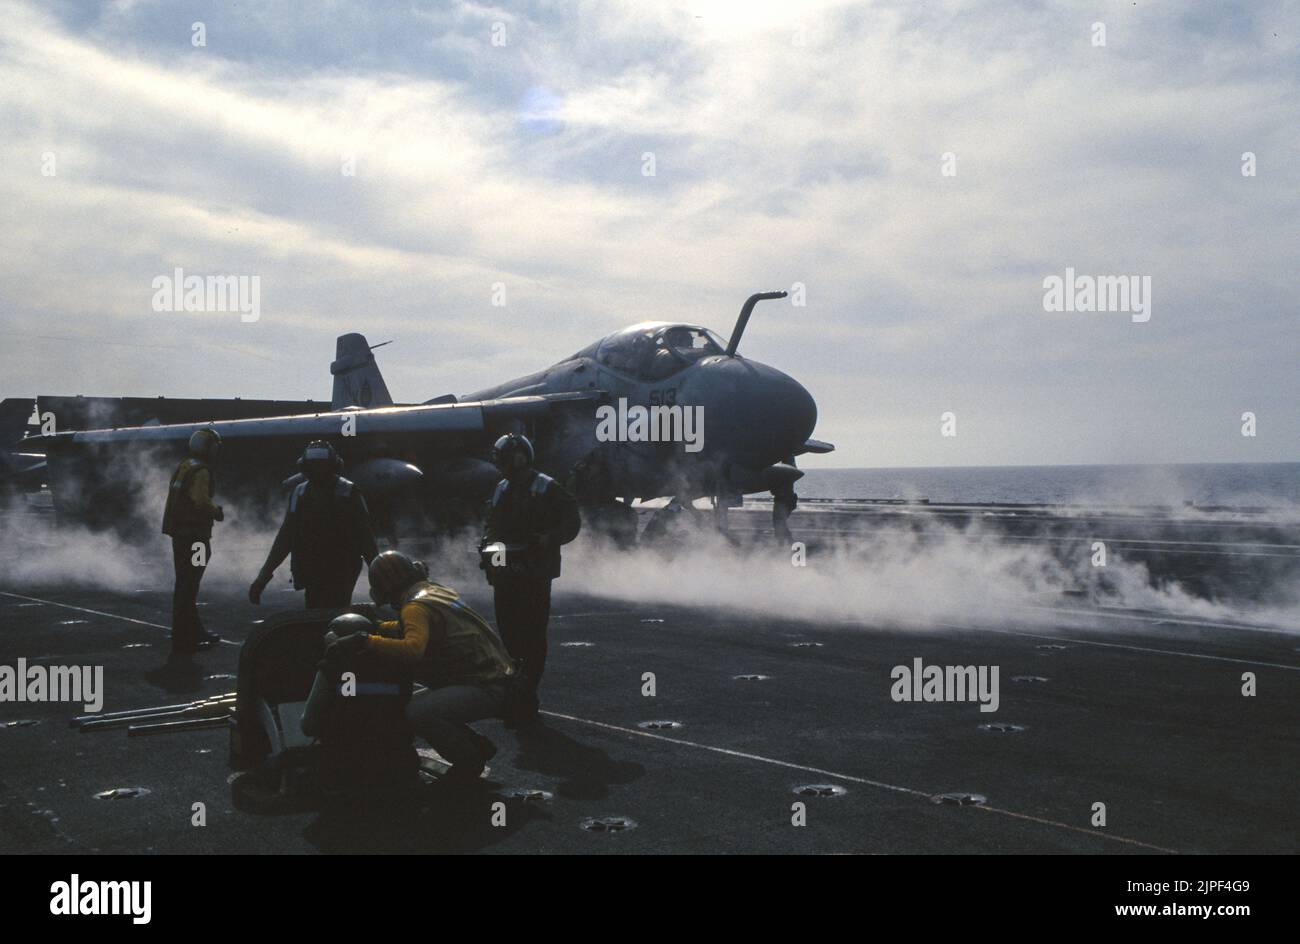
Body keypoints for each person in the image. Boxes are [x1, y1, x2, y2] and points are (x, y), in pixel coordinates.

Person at [331, 550, 519, 784]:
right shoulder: (434, 591)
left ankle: (468, 762)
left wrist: (365, 640)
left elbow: (413, 649)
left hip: (486, 686)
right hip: (495, 678)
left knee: (418, 712)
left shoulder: (414, 607)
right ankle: (475, 745)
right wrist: (379, 627)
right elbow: (416, 627)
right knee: (409, 701)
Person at [479, 433, 580, 708]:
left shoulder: (547, 488)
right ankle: (518, 684)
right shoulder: (502, 488)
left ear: (519, 459)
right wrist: (491, 559)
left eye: (503, 461)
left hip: (535, 570)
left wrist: (549, 539)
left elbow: (572, 521)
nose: (500, 467)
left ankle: (527, 691)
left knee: (533, 633)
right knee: (508, 631)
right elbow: (492, 527)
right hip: (506, 572)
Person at [248, 441, 378, 610]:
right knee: (318, 611)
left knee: (333, 610)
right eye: (314, 467)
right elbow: (286, 537)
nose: (319, 472)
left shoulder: (348, 492)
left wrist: (378, 576)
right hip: (311, 567)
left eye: (322, 466)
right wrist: (263, 576)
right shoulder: (300, 493)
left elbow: (365, 538)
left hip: (341, 567)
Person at [161, 427, 224, 654]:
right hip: (196, 538)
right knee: (190, 584)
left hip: (180, 535)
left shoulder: (185, 466)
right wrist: (217, 511)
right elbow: (200, 501)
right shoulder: (201, 471)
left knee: (184, 584)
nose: (216, 451)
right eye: (214, 447)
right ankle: (187, 635)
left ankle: (191, 631)